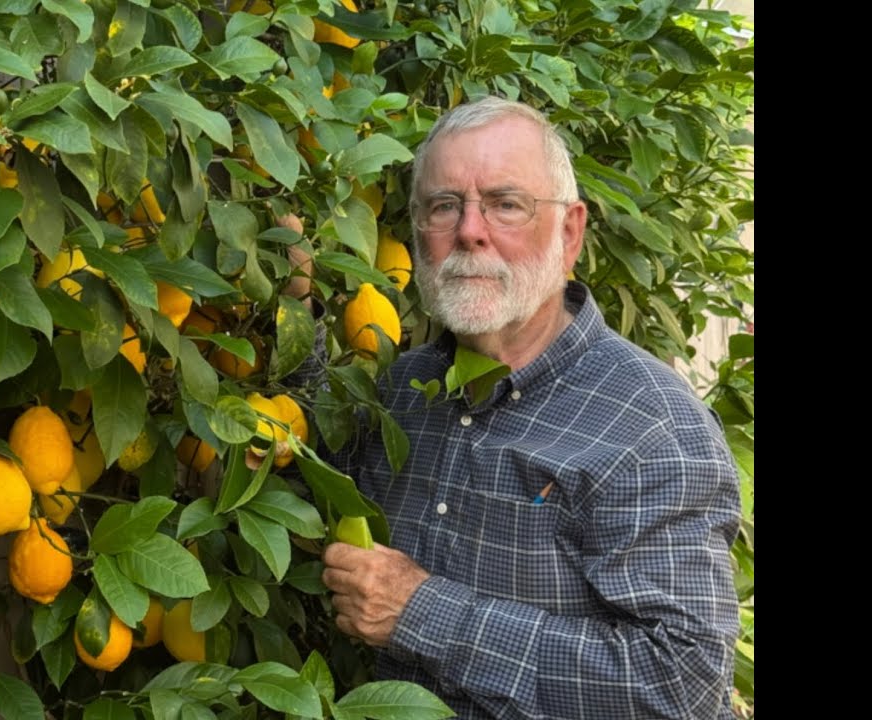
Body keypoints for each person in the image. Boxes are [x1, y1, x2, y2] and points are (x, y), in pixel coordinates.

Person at [318, 96, 742, 718]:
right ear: (416, 234)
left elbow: (681, 685)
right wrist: (290, 306)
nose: (469, 229)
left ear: (569, 232)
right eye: (444, 206)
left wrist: (422, 612)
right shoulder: (401, 393)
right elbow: (301, 461)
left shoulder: (652, 427)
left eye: (505, 203)